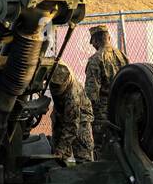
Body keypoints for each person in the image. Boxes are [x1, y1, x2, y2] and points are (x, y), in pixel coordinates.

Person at [84, 24, 128, 157]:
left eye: (93, 42)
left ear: (96, 41)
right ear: (108, 37)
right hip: (121, 108)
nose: (92, 45)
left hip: (103, 112)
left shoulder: (96, 59)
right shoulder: (122, 56)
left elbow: (91, 94)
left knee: (101, 147)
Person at [48, 60, 94, 164]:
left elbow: (72, 125)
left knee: (84, 157)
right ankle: (60, 166)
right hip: (61, 112)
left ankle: (84, 174)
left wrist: (62, 148)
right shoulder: (55, 68)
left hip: (80, 117)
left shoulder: (73, 97)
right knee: (57, 154)